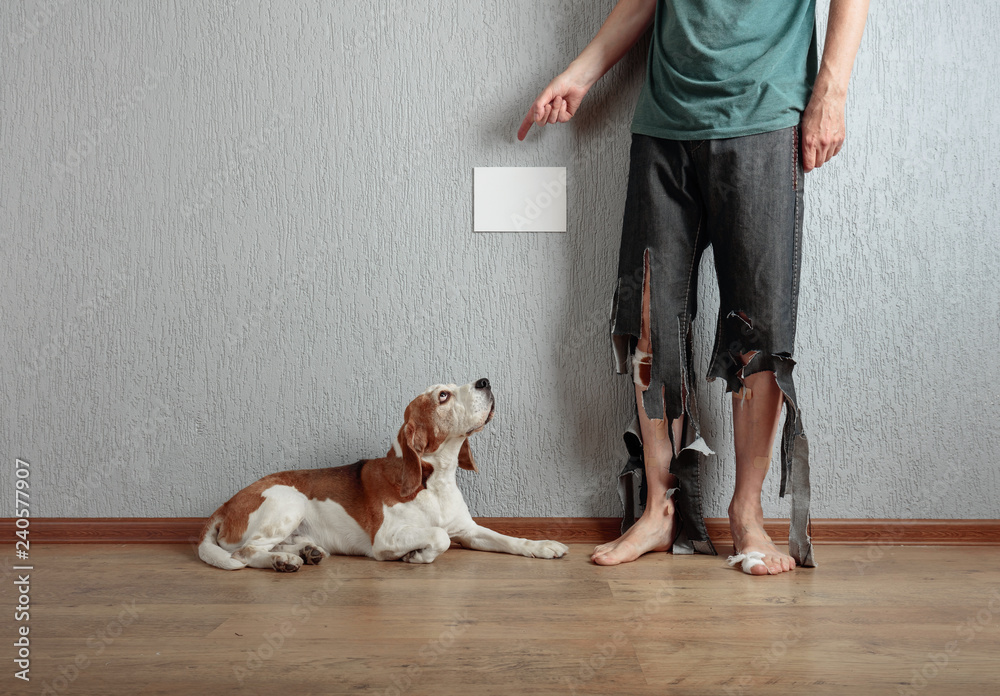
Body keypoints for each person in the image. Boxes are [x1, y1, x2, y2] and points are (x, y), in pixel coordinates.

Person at [518, 0, 868, 575]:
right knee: (648, 315)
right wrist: (579, 74)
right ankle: (660, 512)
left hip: (764, 112)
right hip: (665, 119)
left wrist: (832, 93)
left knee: (757, 326)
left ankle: (748, 515)